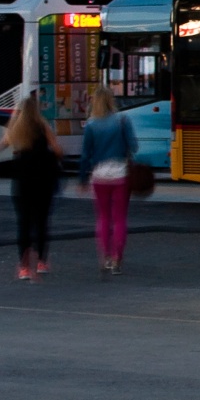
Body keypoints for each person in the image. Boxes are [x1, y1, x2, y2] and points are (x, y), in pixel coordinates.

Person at [5, 95, 64, 281]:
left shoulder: (17, 127)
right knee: (42, 221)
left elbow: (2, 144)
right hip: (43, 179)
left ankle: (23, 267)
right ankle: (41, 262)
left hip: (23, 180)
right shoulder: (43, 126)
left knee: (23, 222)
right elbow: (57, 149)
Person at [81, 88, 138, 276]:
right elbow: (134, 146)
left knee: (103, 218)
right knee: (120, 218)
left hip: (99, 175)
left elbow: (85, 154)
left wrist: (82, 178)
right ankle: (117, 260)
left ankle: (105, 258)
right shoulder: (122, 120)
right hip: (120, 173)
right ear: (111, 101)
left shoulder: (91, 124)